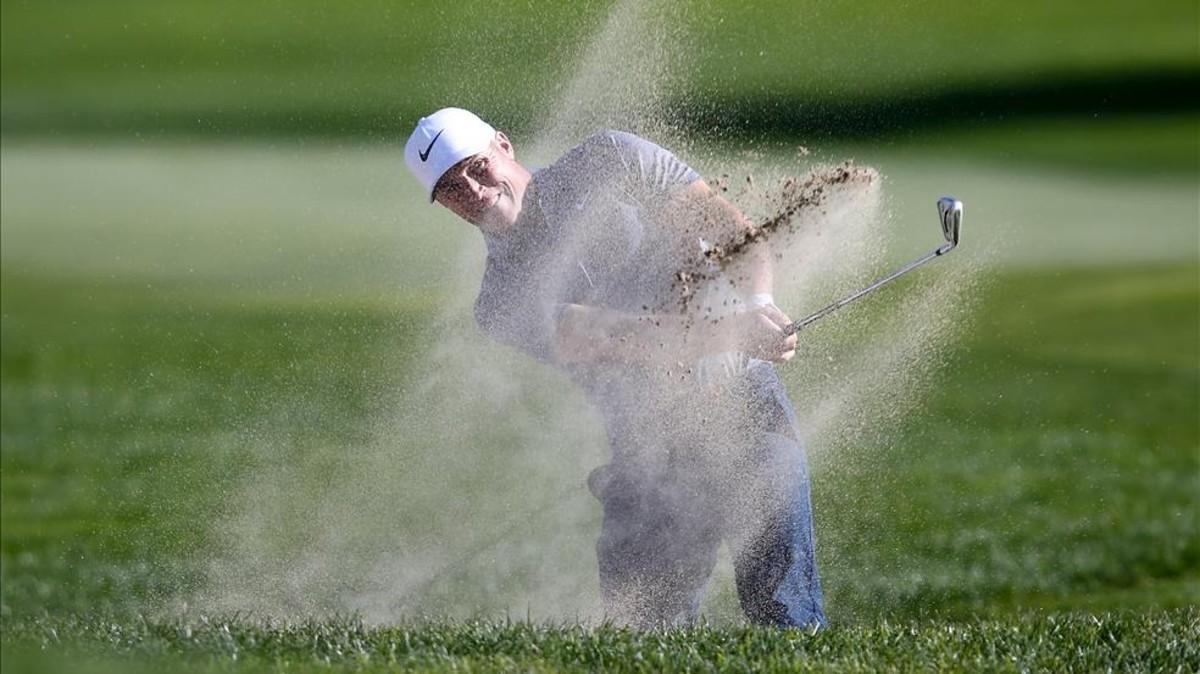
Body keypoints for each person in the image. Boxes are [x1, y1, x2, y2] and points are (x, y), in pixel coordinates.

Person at [404, 107, 825, 628]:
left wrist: (757, 303)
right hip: (647, 450)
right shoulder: (498, 302)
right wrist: (728, 331)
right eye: (449, 187)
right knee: (645, 635)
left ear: (504, 147)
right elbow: (600, 335)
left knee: (786, 609)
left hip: (742, 401)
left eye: (474, 166)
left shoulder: (612, 158)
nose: (471, 188)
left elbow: (727, 227)